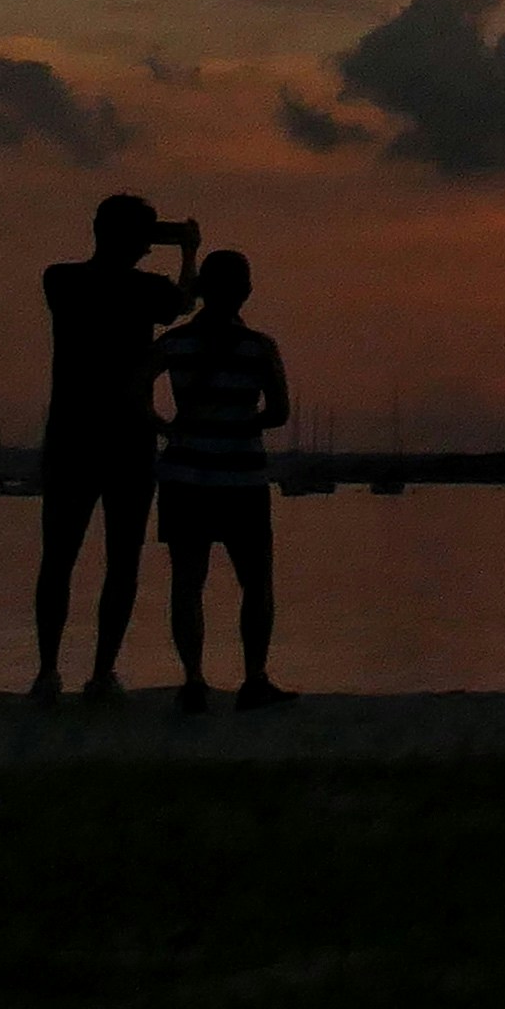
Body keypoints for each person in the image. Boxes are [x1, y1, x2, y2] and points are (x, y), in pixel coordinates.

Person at [32, 193, 199, 702]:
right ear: (137, 241)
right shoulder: (144, 289)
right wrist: (189, 249)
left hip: (71, 436)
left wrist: (156, 235)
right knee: (121, 560)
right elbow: (183, 304)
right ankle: (101, 673)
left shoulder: (60, 280)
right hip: (127, 438)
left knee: (58, 557)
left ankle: (47, 673)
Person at [153, 249, 293, 713]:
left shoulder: (173, 343)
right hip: (241, 478)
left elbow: (131, 388)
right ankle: (254, 679)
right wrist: (241, 419)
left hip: (183, 476)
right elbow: (278, 412)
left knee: (188, 583)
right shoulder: (260, 347)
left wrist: (165, 425)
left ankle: (194, 680)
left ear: (201, 290)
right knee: (256, 583)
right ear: (246, 292)